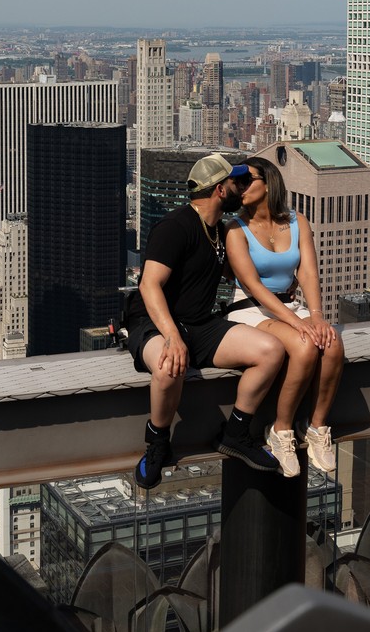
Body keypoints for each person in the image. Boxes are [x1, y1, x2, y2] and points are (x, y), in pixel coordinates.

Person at [127, 152, 285, 489]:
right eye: (237, 182)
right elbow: (149, 285)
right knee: (169, 367)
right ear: (219, 190)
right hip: (155, 323)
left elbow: (240, 274)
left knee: (271, 350)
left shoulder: (220, 232)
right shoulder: (175, 226)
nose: (242, 187)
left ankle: (236, 433)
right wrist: (172, 336)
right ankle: (157, 441)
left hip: (200, 325)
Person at [224, 155, 344, 478]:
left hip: (289, 307)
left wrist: (316, 316)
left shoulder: (297, 222)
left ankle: (316, 426)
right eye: (237, 182)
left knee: (332, 343)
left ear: (268, 184)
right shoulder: (235, 229)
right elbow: (253, 286)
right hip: (250, 309)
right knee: (304, 346)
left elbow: (307, 272)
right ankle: (281, 429)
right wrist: (298, 323)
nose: (240, 187)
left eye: (247, 180)